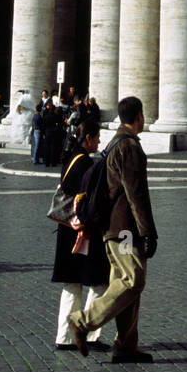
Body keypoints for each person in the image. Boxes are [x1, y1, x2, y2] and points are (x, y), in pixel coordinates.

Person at [71, 95, 158, 365]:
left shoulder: (114, 142)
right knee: (133, 280)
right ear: (139, 116)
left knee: (125, 283)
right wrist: (147, 231)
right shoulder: (129, 146)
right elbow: (136, 194)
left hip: (113, 227)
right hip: (125, 229)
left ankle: (126, 346)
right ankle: (83, 321)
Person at [52, 120, 109, 351]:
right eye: (96, 138)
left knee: (72, 283)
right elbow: (93, 200)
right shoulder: (86, 163)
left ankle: (64, 337)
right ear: (87, 138)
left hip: (67, 231)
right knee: (97, 281)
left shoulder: (71, 158)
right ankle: (90, 334)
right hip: (84, 232)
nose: (98, 142)